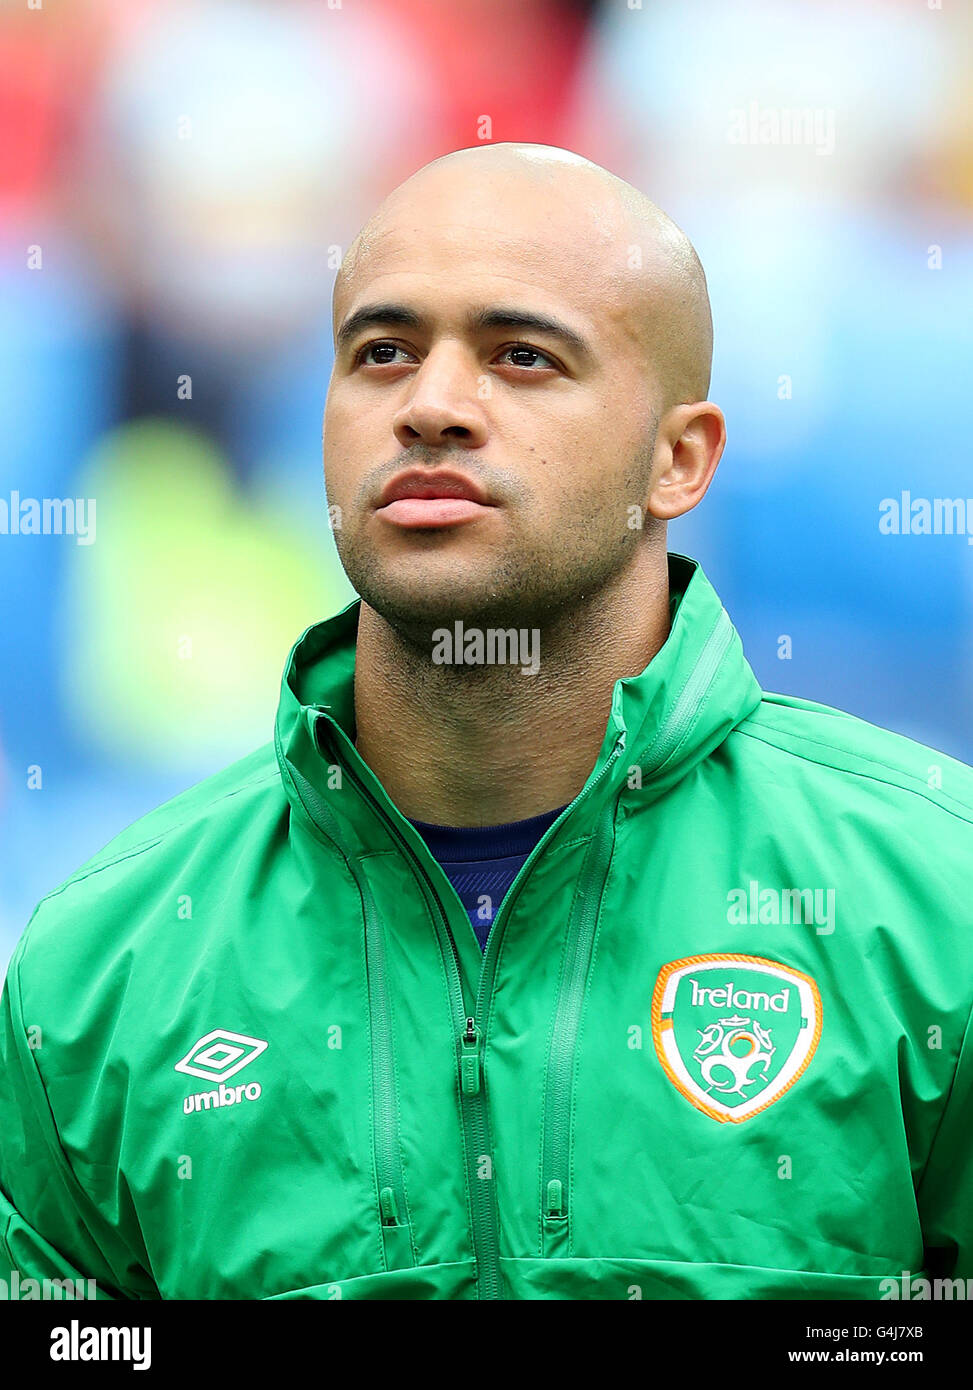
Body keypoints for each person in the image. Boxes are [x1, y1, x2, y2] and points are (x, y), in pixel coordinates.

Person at [1, 143, 970, 1302]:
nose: (431, 407)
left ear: (678, 457)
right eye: (382, 353)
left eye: (520, 356)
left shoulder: (934, 902)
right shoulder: (100, 967)